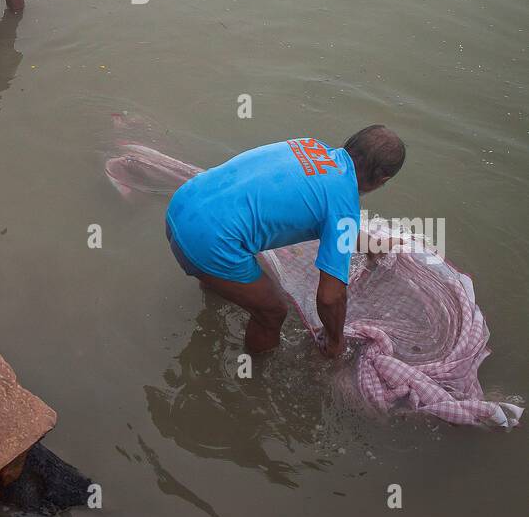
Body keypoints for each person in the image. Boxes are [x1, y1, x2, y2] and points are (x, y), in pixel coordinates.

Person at [164, 126, 406, 357]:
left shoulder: (310, 145)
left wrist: (371, 246)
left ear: (349, 144)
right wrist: (335, 341)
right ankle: (253, 380)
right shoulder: (343, 205)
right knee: (273, 311)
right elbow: (330, 297)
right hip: (207, 241)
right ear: (382, 179)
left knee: (228, 252)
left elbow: (327, 211)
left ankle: (214, 284)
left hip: (182, 204)